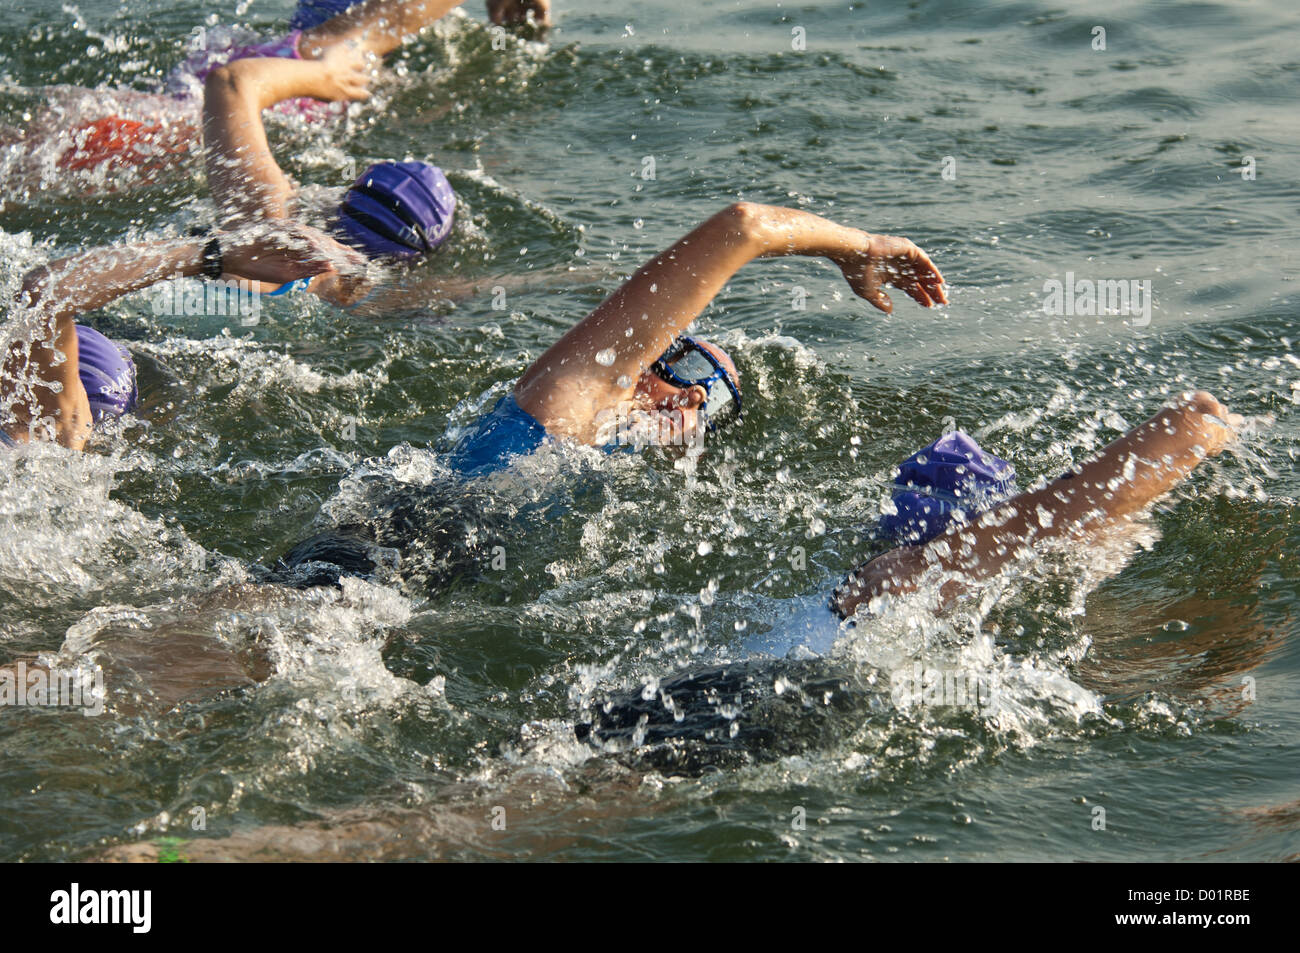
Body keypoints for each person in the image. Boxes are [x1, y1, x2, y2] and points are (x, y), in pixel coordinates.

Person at [265, 201, 947, 589]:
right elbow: (743, 225)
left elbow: (743, 225)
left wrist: (855, 248)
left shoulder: (576, 433)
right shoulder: (576, 411)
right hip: (363, 573)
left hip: (366, 574)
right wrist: (854, 248)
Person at [578, 390, 1243, 772]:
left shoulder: (861, 585)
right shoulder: (944, 566)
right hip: (803, 696)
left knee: (579, 768)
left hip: (725, 680)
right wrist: (1229, 427)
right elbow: (1191, 421)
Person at [0, 1, 549, 193]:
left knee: (49, 142)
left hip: (275, 58)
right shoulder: (366, 33)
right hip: (297, 81)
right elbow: (378, 27)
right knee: (64, 155)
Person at [1, 222, 365, 451]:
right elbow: (47, 292)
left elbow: (47, 292)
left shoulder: (35, 431)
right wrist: (213, 255)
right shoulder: (55, 446)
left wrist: (213, 255)